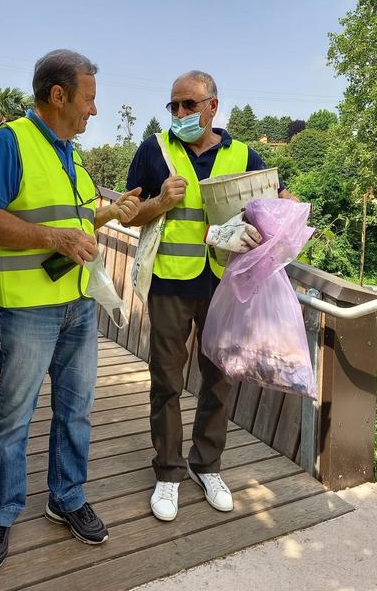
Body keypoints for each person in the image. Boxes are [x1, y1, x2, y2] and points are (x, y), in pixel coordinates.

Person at [0, 49, 141, 570]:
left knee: (76, 410)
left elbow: (75, 221)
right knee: (12, 417)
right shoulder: (10, 141)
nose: (94, 110)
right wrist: (51, 237)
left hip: (77, 305)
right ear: (58, 95)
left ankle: (66, 498)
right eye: (88, 98)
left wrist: (109, 212)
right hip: (27, 310)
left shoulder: (70, 152)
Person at [123, 70, 289, 522]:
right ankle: (168, 472)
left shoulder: (245, 155)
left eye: (188, 105)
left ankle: (207, 464)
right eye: (173, 106)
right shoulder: (153, 151)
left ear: (213, 106)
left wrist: (281, 219)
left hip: (224, 286)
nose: (179, 113)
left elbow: (271, 208)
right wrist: (159, 202)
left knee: (219, 381)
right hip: (170, 283)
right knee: (166, 381)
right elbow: (128, 214)